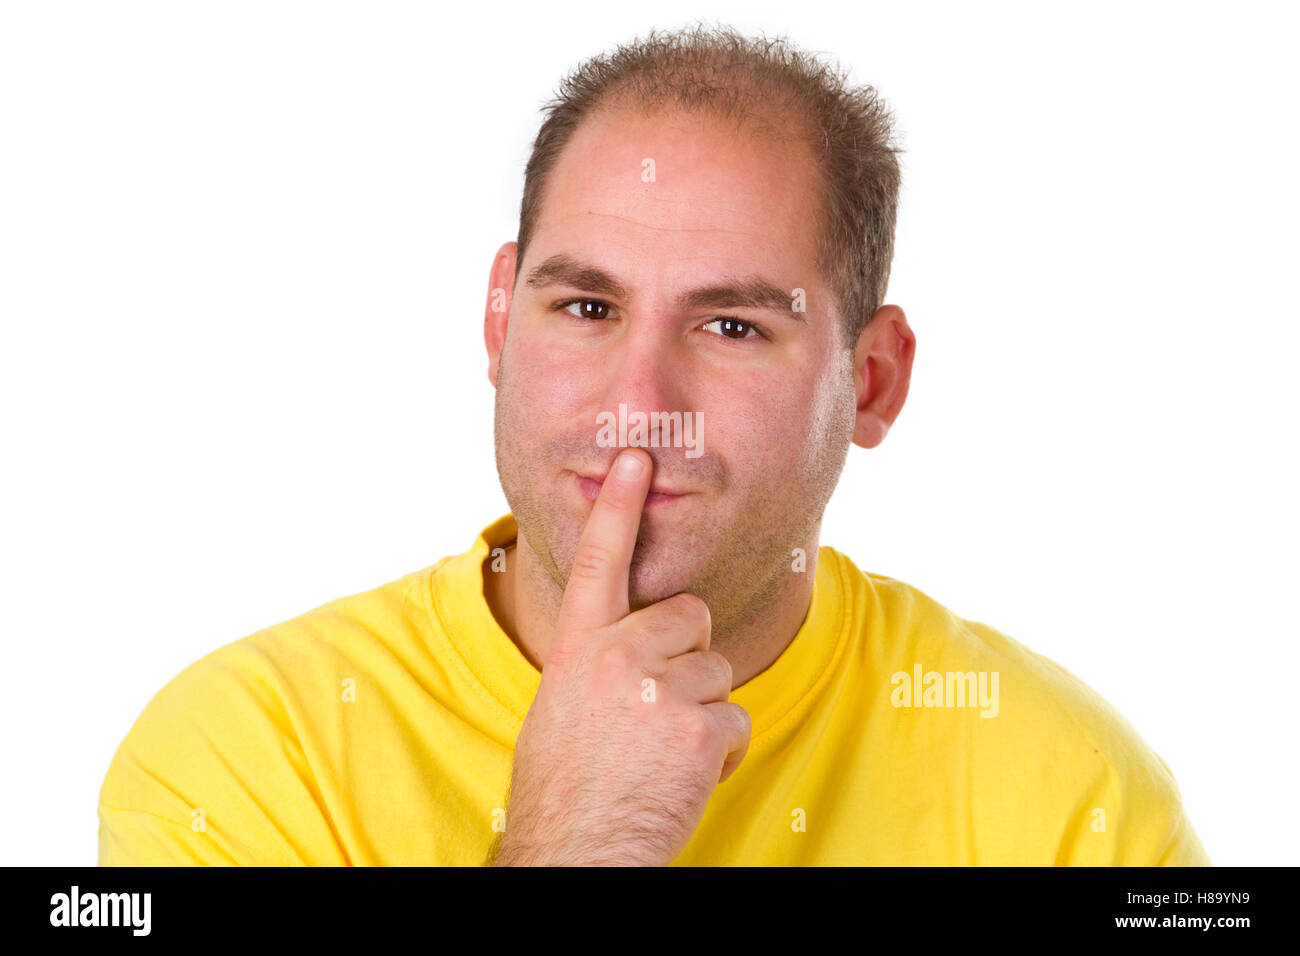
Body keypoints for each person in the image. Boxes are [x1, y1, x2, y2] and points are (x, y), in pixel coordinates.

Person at [98, 24, 1210, 866]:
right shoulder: (241, 753)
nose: (640, 403)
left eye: (732, 326)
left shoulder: (1080, 799)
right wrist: (566, 838)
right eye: (586, 307)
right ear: (498, 320)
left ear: (871, 380)